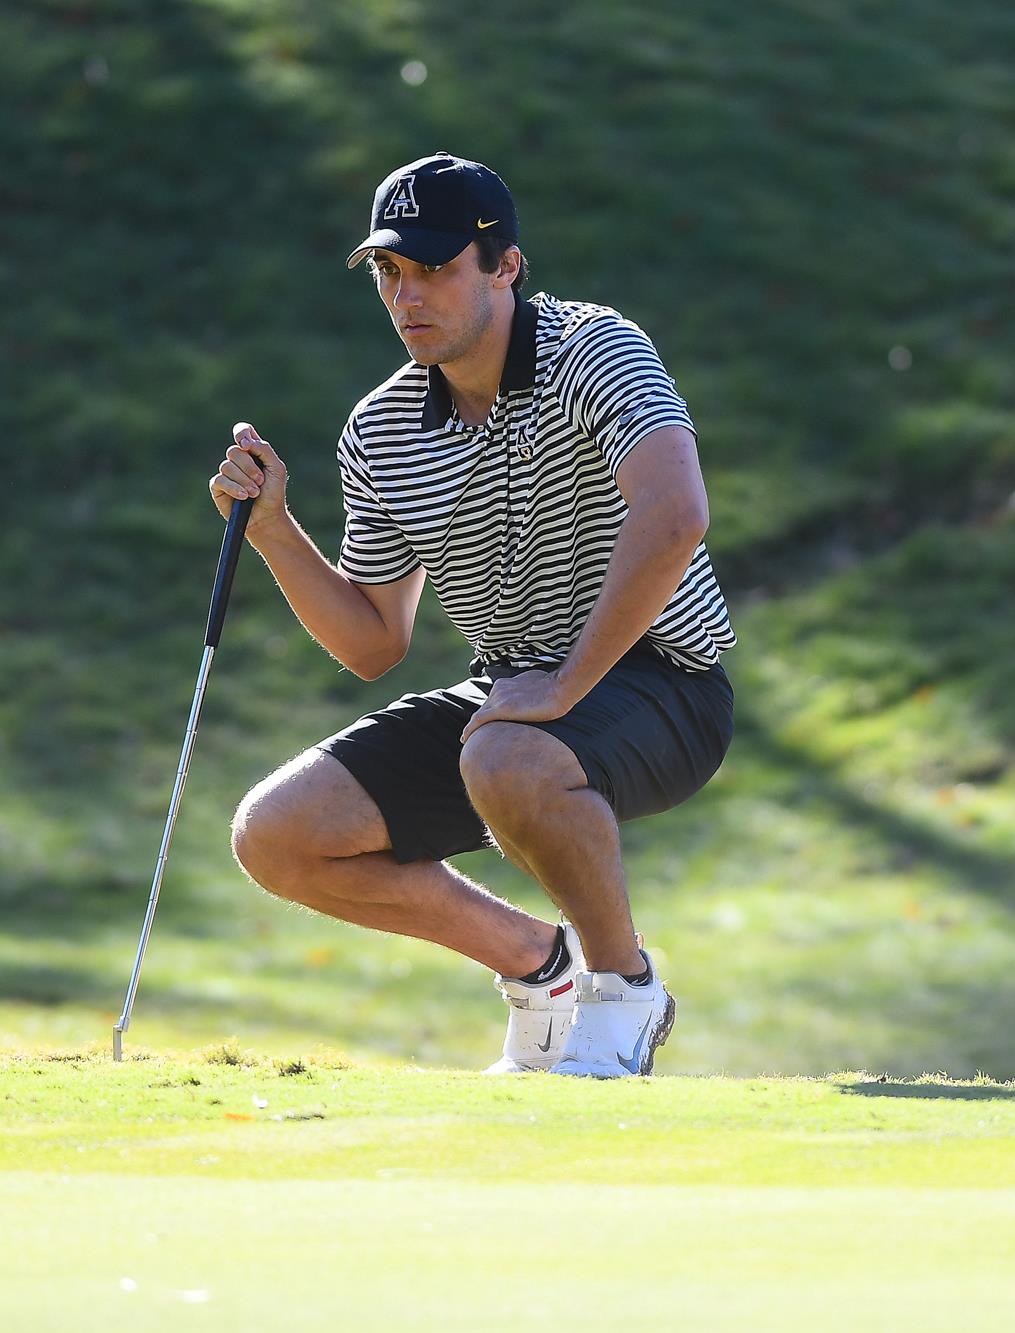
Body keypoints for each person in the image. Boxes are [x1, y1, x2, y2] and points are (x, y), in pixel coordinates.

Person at [212, 152, 735, 1077]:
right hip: (516, 696)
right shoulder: (380, 430)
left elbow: (675, 513)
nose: (407, 295)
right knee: (277, 834)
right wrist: (275, 531)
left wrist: (566, 684)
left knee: (505, 754)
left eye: (435, 267)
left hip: (667, 683)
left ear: (507, 267)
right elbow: (374, 641)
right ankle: (539, 968)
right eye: (389, 270)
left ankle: (624, 988)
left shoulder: (596, 349)